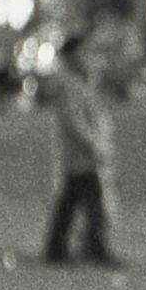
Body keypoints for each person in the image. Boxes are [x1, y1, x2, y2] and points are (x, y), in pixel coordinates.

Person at [43, 38, 119, 263]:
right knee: (90, 201)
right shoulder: (70, 83)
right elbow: (74, 119)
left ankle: (60, 247)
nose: (89, 57)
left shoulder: (80, 81)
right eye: (85, 52)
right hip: (80, 154)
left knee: (72, 199)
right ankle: (92, 247)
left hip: (81, 155)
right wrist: (93, 143)